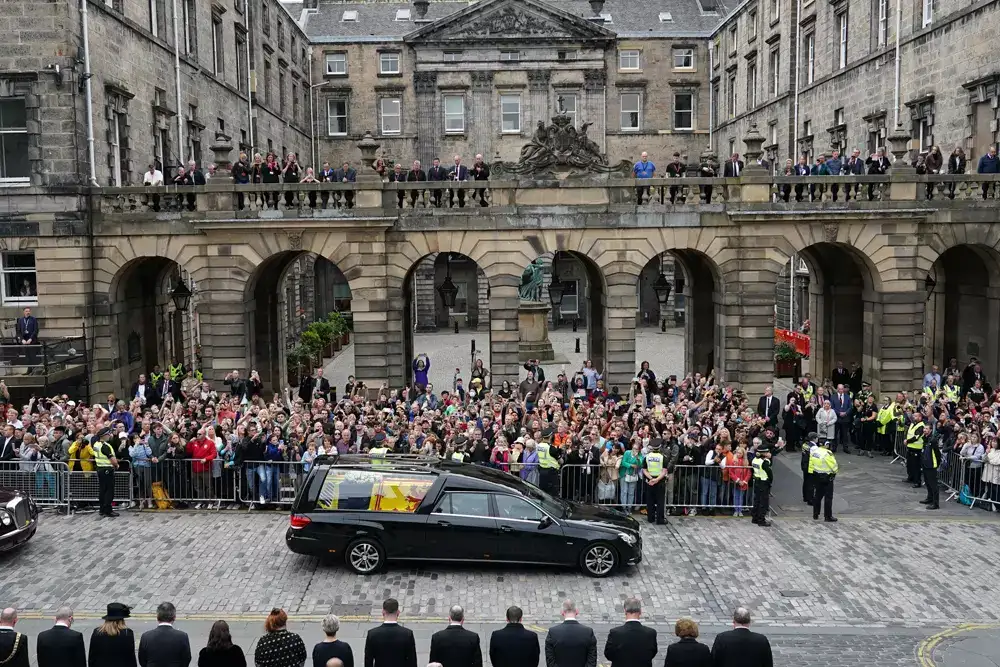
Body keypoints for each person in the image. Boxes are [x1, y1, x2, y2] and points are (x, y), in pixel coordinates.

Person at [603, 598, 657, 667]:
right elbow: (652, 653)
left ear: (625, 611)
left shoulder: (615, 633)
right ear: (640, 611)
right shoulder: (651, 633)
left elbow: (609, 654)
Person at [364, 598, 417, 667]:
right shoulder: (407, 634)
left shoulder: (372, 634)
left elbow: (368, 661)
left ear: (383, 612)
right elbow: (412, 662)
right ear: (398, 613)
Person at [138, 602, 192, 667]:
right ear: (174, 617)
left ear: (157, 617)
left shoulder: (146, 636)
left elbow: (142, 660)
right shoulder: (182, 636)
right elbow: (186, 659)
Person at [544, 600, 596, 667]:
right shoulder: (588, 632)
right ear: (577, 611)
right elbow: (592, 660)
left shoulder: (553, 632)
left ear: (562, 612)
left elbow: (550, 660)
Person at [89, 602, 138, 667]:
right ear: (121, 620)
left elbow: (92, 657)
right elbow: (130, 658)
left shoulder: (97, 632)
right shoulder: (128, 634)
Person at [807, 440, 839, 522]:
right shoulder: (827, 453)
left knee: (817, 496)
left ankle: (815, 514)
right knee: (828, 497)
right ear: (826, 445)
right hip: (827, 477)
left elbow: (811, 463)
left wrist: (811, 474)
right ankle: (828, 516)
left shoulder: (815, 452)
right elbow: (833, 465)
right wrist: (835, 472)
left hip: (817, 475)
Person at [92, 426, 120, 517]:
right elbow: (112, 460)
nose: (110, 435)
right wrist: (116, 465)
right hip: (107, 469)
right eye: (109, 434)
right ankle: (108, 510)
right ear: (104, 435)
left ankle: (102, 509)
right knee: (109, 491)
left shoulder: (96, 444)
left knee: (102, 490)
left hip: (99, 469)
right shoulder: (105, 446)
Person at [641, 438, 667, 525]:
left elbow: (644, 470)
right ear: (659, 447)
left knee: (650, 500)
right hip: (660, 480)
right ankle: (660, 519)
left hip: (650, 480)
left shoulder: (647, 457)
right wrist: (656, 479)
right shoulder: (663, 457)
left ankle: (650, 518)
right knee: (660, 500)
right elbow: (664, 471)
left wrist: (651, 478)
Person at [920, 429, 943, 510]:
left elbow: (937, 454)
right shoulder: (925, 438)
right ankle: (929, 498)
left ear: (930, 430)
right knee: (927, 483)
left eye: (926, 429)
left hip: (931, 465)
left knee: (933, 485)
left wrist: (937, 463)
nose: (924, 430)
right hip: (925, 464)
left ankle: (936, 503)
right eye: (924, 429)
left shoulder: (933, 440)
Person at [750, 446, 773, 527]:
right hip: (764, 482)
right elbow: (770, 473)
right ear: (764, 453)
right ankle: (761, 520)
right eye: (767, 452)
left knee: (757, 501)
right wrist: (770, 481)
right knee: (763, 502)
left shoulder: (754, 460)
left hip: (757, 481)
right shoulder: (765, 462)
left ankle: (755, 518)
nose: (768, 453)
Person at [904, 412, 927, 487]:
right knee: (909, 464)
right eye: (913, 416)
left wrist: (908, 441)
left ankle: (917, 481)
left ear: (920, 417)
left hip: (917, 448)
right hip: (910, 447)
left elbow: (916, 437)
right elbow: (908, 432)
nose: (914, 417)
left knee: (916, 466)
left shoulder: (921, 426)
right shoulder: (912, 423)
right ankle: (910, 477)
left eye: (916, 416)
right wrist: (906, 439)